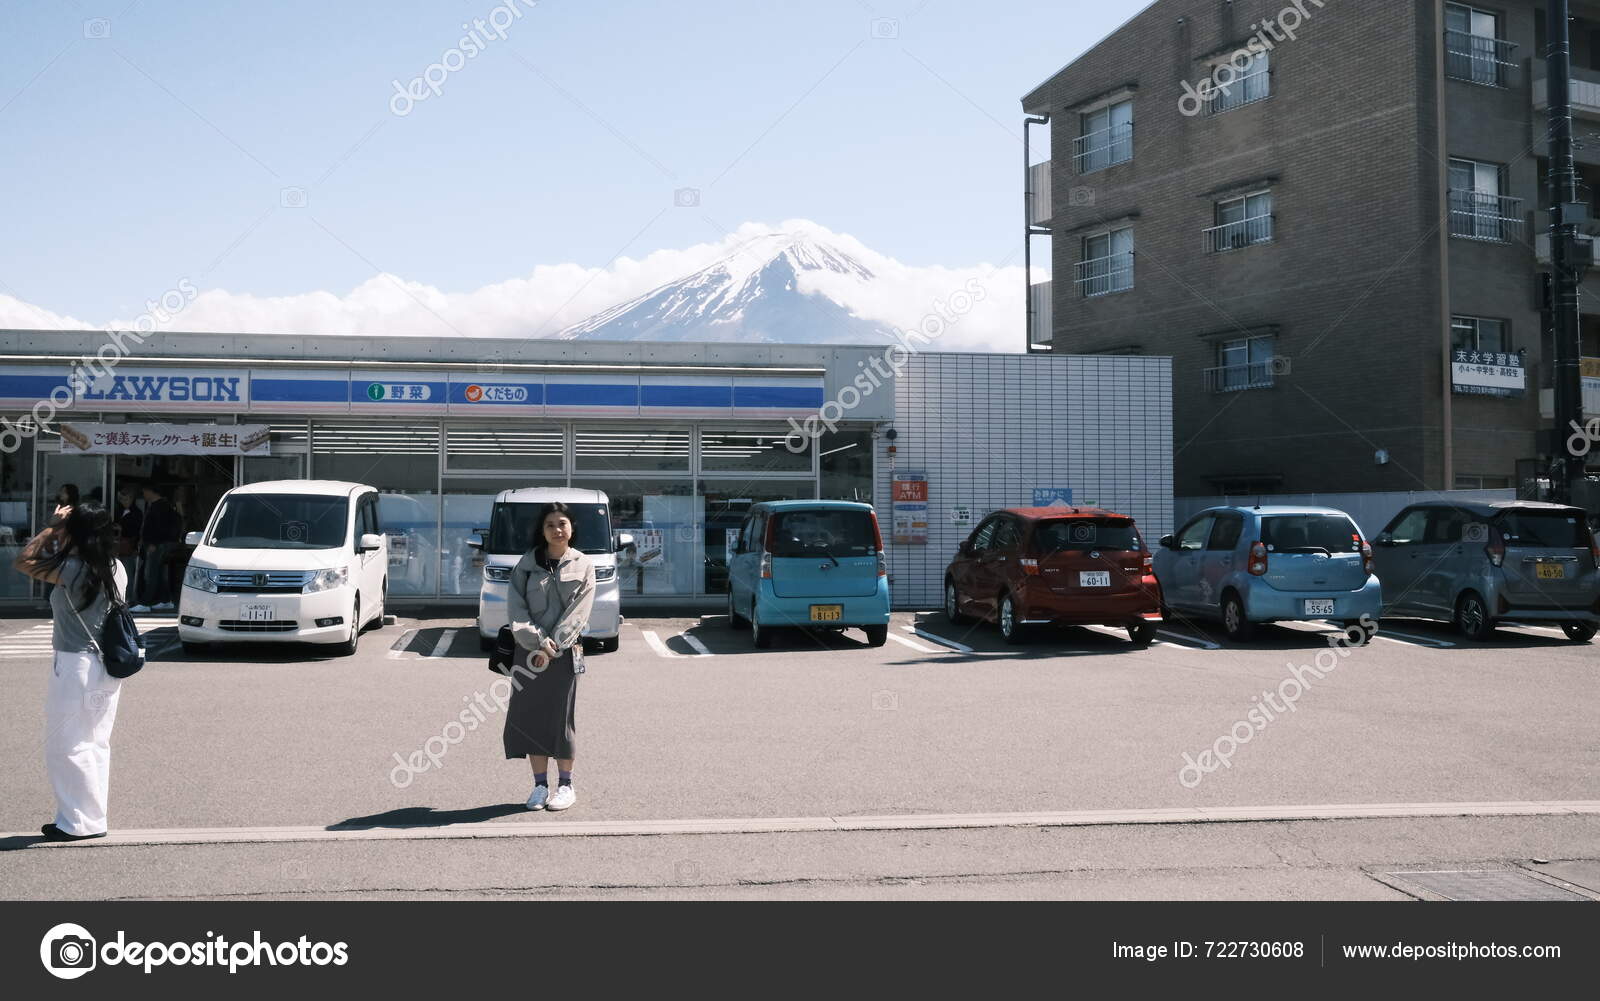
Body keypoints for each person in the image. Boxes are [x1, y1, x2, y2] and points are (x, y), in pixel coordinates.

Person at [12, 500, 129, 842]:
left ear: (75, 533)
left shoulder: (72, 569)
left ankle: (77, 822)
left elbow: (24, 560)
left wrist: (54, 527)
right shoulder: (116, 567)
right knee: (95, 743)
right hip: (107, 667)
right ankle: (92, 818)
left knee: (65, 745)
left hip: (75, 665)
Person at [504, 502, 596, 812]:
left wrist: (553, 645)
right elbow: (516, 608)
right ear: (541, 531)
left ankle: (566, 786)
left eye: (562, 523)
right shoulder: (526, 564)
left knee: (560, 718)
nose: (557, 529)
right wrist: (537, 642)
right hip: (529, 652)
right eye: (550, 525)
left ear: (572, 528)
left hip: (564, 653)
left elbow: (579, 613)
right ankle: (540, 786)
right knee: (531, 717)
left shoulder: (583, 565)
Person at [131, 484, 180, 613]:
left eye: (145, 491)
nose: (143, 494)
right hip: (156, 544)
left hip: (157, 545)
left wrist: (154, 543)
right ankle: (166, 600)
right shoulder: (159, 505)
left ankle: (145, 602)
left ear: (152, 491)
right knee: (159, 573)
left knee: (151, 574)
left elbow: (160, 528)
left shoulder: (160, 506)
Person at [114, 486, 142, 587]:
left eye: (126, 499)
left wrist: (121, 529)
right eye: (122, 499)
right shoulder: (118, 510)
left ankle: (128, 594)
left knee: (127, 574)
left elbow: (135, 530)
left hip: (129, 547)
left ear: (132, 499)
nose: (124, 502)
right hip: (118, 546)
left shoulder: (137, 513)